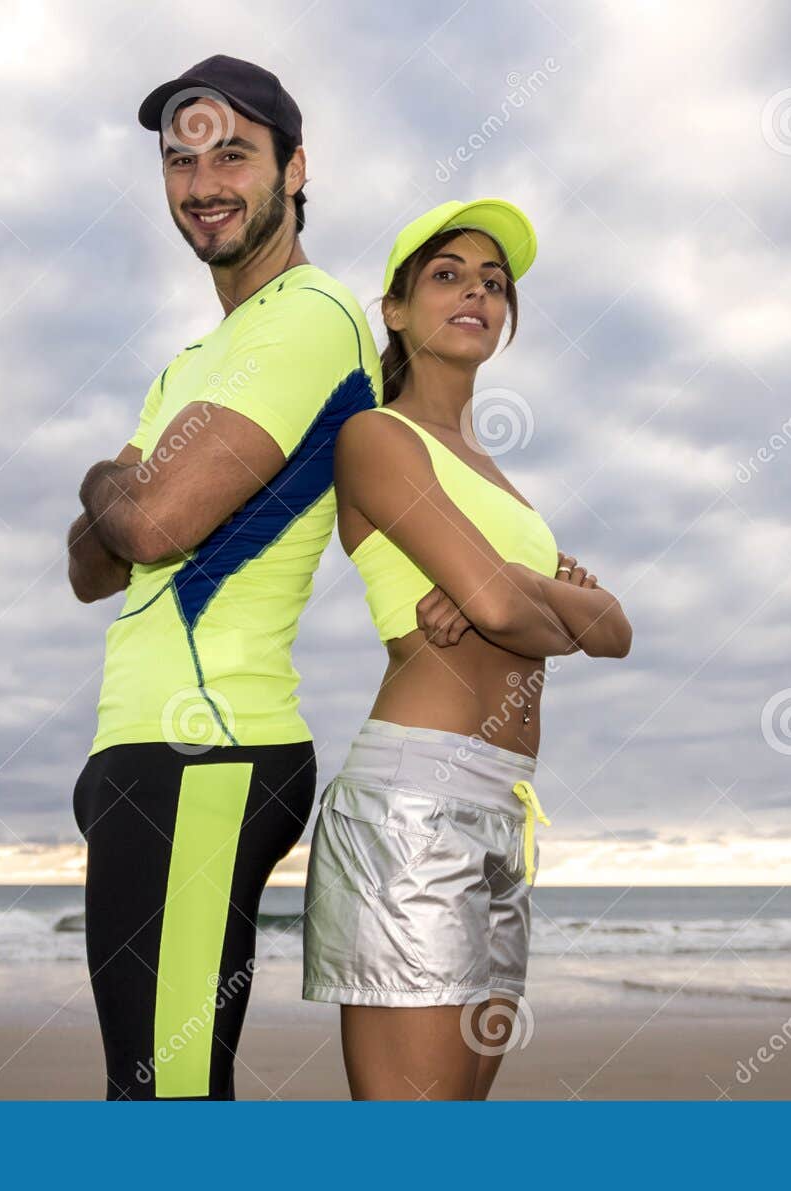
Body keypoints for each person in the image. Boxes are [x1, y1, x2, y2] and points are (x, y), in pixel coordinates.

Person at [66, 54, 380, 1100]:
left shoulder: (313, 316)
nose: (203, 182)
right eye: (180, 159)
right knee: (148, 1090)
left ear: (295, 169)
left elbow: (145, 523)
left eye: (234, 154)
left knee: (169, 1100)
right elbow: (87, 570)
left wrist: (106, 478)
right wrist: (117, 501)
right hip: (140, 747)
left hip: (209, 748)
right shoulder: (188, 364)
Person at [301, 198, 632, 1100]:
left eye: (495, 283)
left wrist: (517, 591)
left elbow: (617, 631)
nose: (478, 293)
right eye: (447, 275)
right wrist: (523, 593)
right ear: (397, 310)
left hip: (507, 809)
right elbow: (510, 604)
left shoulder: (504, 487)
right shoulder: (375, 437)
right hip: (417, 800)